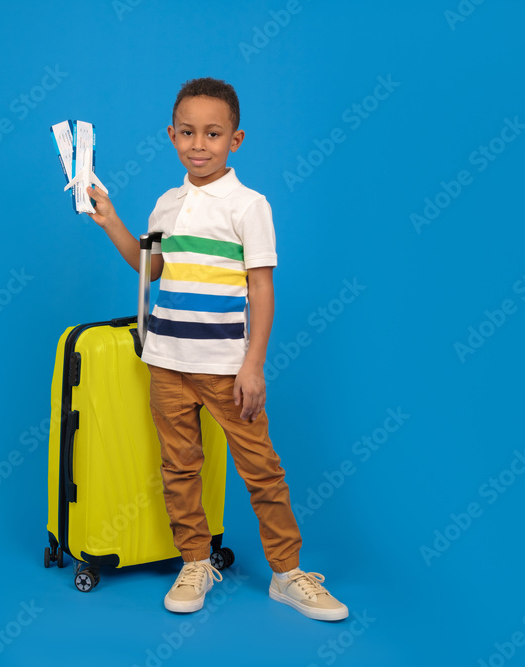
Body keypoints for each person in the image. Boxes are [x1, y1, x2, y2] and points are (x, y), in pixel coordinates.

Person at [85, 76, 347, 621]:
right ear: (171, 135)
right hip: (167, 364)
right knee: (180, 469)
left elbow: (261, 288)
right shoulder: (166, 204)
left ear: (236, 139)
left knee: (262, 471)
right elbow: (151, 270)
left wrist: (253, 365)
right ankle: (195, 561)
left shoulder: (249, 206)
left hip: (228, 369)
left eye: (212, 133)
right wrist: (111, 220)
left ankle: (287, 573)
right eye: (187, 132)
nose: (198, 144)